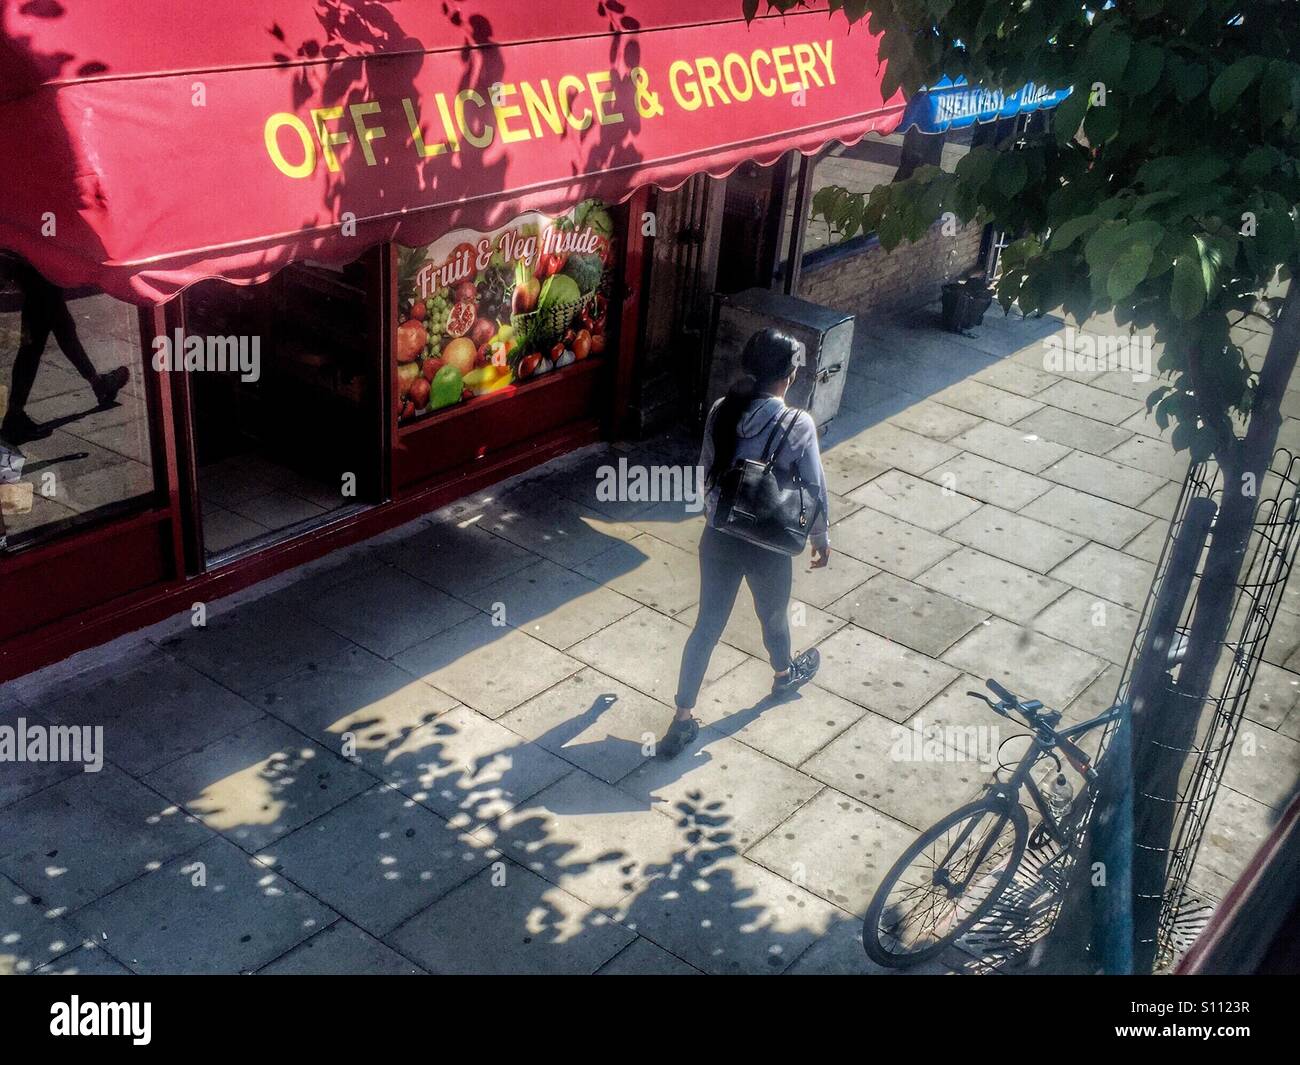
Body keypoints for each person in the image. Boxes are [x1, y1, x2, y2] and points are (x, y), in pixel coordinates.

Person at [662, 327, 830, 758]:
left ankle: (682, 718)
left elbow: (705, 468)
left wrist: (715, 514)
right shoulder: (799, 424)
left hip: (719, 534)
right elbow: (813, 487)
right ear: (789, 376)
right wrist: (820, 537)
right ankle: (782, 674)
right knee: (773, 615)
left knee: (706, 626)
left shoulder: (722, 409)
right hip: (768, 542)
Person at [0, 256, 129, 445]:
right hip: (37, 265)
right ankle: (14, 416)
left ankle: (98, 383)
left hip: (34, 264)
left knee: (61, 328)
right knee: (37, 342)